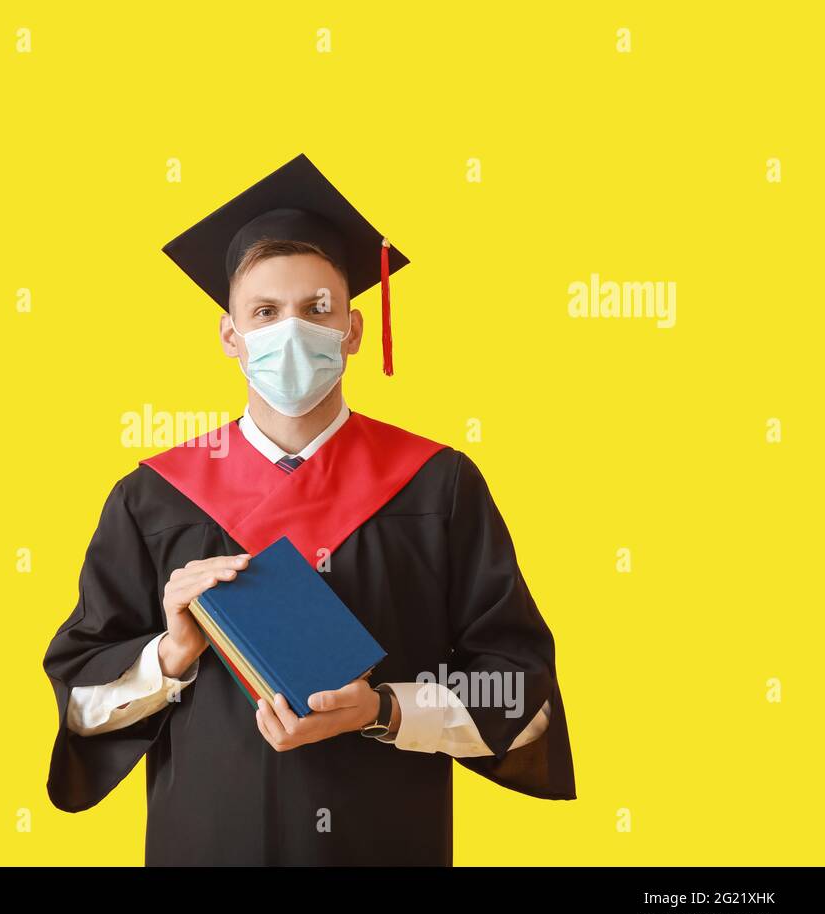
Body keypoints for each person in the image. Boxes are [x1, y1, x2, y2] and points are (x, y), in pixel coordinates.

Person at [42, 153, 576, 865]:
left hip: (386, 842)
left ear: (352, 330)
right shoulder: (153, 497)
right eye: (265, 312)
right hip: (204, 843)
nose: (291, 330)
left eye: (316, 310)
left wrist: (384, 709)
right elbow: (79, 701)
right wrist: (168, 657)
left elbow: (521, 693)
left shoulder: (437, 485)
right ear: (232, 338)